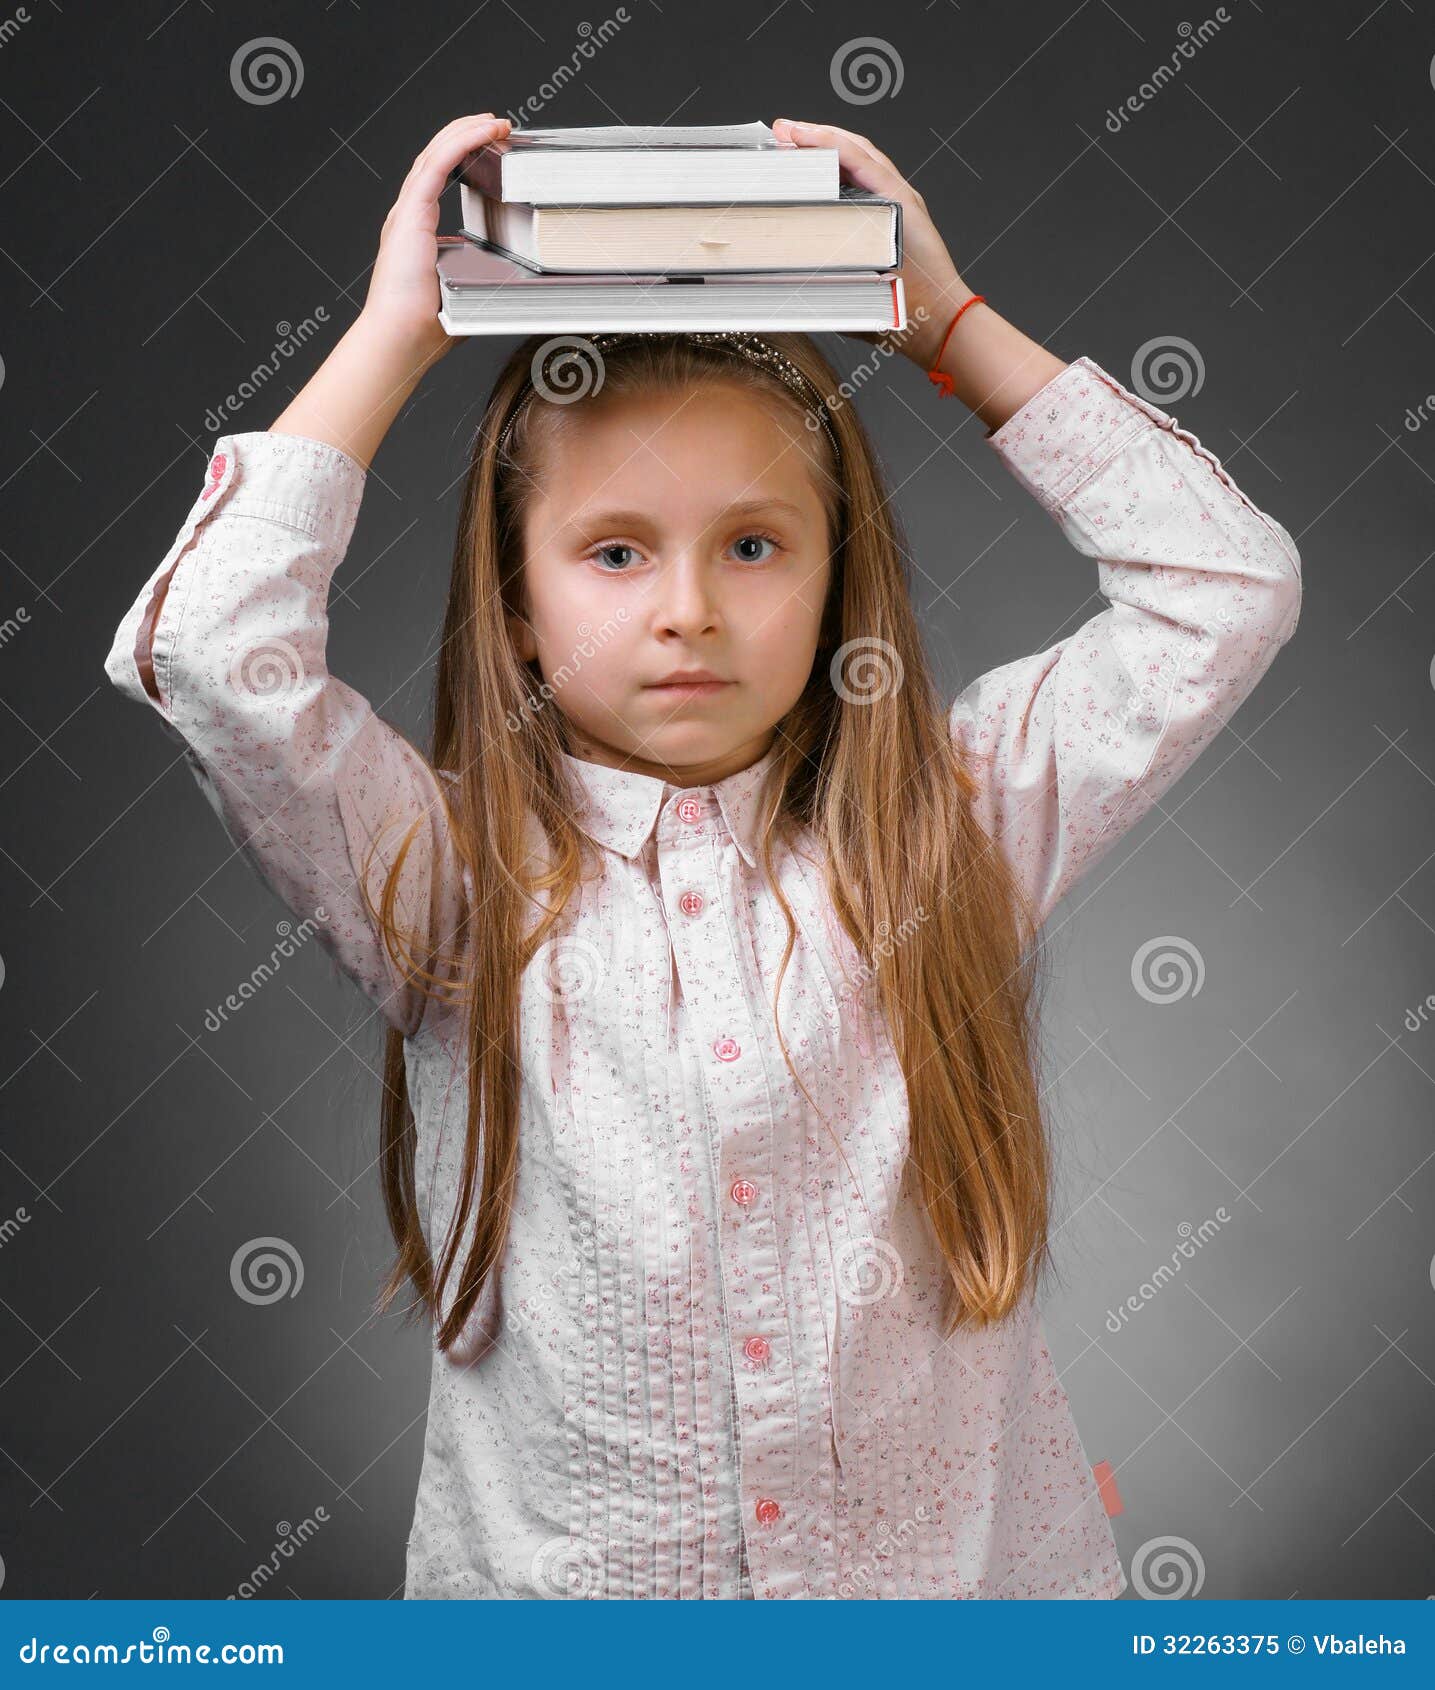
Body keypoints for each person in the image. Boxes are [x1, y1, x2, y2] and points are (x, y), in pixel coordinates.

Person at [103, 113, 1302, 1599]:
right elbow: (213, 652)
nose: (688, 608)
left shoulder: (955, 824)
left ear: (833, 570)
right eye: (615, 550)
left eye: (753, 544)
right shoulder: (444, 878)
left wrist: (952, 329)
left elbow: (1228, 589)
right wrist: (392, 338)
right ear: (519, 604)